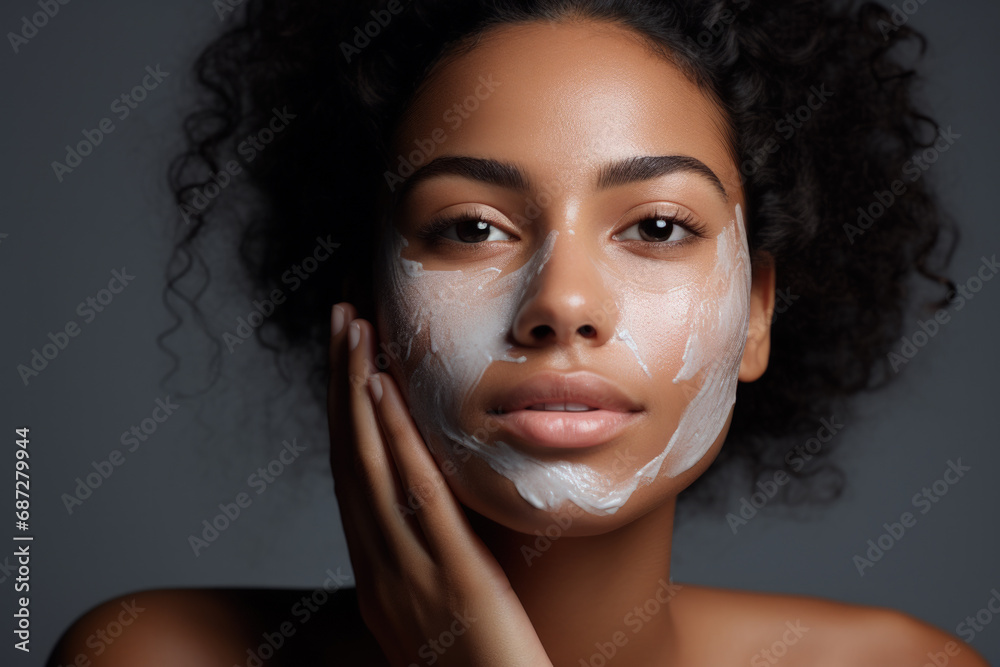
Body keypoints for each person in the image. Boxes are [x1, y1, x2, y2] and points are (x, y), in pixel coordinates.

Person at [47, 1, 988, 665]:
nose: (562, 303)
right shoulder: (151, 655)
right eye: (471, 227)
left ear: (756, 314)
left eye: (656, 226)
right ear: (363, 305)